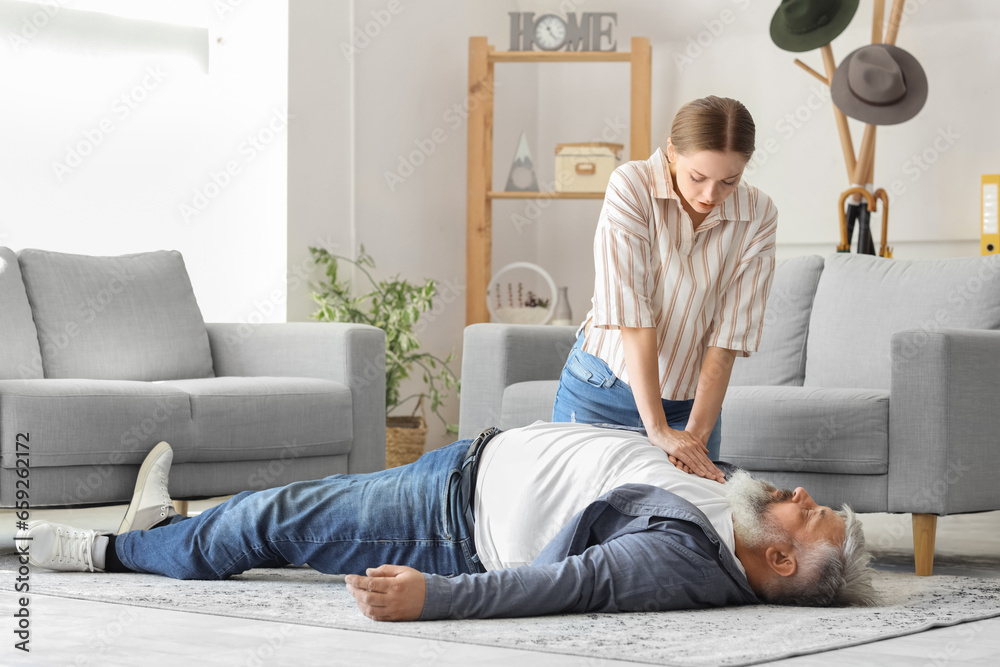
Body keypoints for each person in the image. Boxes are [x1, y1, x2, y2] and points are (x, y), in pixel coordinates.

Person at [17, 422, 876, 621]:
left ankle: (107, 549)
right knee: (286, 511)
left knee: (276, 518)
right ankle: (167, 524)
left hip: (447, 522)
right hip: (462, 466)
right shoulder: (724, 508)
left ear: (785, 563)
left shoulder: (683, 563)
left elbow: (569, 583)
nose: (803, 497)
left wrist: (437, 597)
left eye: (813, 517)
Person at [552, 96, 778, 484]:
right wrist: (655, 429)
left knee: (685, 528)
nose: (711, 195)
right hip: (604, 389)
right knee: (575, 518)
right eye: (697, 177)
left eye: (729, 180)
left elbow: (726, 340)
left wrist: (696, 437)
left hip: (691, 408)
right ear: (672, 151)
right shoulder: (631, 186)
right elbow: (632, 316)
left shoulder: (758, 214)